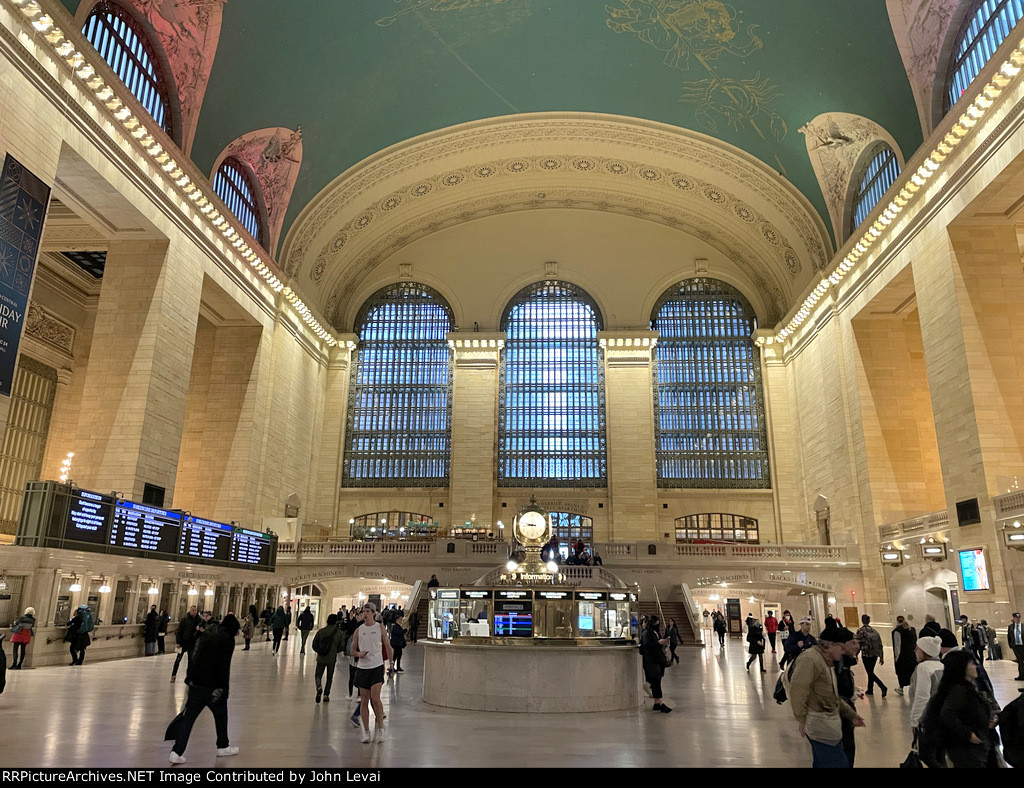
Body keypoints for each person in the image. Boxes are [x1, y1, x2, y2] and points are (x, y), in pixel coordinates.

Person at [167, 614, 241, 764]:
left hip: (197, 685)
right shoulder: (228, 640)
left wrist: (189, 680)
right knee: (221, 717)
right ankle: (222, 746)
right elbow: (223, 666)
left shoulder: (209, 637)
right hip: (213, 688)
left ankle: (176, 751)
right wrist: (222, 688)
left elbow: (195, 658)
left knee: (188, 719)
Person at [788, 627, 864, 768]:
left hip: (829, 725)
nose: (843, 652)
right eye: (840, 647)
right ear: (831, 645)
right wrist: (802, 719)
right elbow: (798, 690)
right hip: (819, 725)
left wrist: (850, 714)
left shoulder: (827, 661)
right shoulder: (811, 659)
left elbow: (831, 695)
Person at [921, 649, 996, 768]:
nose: (976, 666)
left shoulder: (965, 688)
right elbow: (947, 714)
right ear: (962, 667)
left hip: (971, 751)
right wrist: (969, 735)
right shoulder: (959, 690)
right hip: (967, 752)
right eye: (972, 663)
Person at [349, 602, 394, 742]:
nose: (366, 614)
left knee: (375, 698)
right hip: (363, 668)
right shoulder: (359, 630)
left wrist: (391, 663)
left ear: (374, 613)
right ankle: (366, 731)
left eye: (368, 611)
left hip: (376, 667)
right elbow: (351, 650)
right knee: (364, 700)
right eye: (364, 611)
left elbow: (388, 646)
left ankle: (380, 728)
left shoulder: (380, 628)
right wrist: (358, 654)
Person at [908, 635, 944, 765]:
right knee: (939, 754)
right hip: (941, 717)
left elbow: (922, 696)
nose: (915, 652)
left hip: (928, 719)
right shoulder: (941, 666)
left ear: (924, 652)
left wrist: (915, 721)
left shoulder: (923, 668)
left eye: (917, 649)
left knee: (927, 755)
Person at [832, 627, 861, 766]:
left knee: (848, 746)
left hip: (846, 706)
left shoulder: (845, 661)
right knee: (844, 747)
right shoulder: (835, 662)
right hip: (838, 709)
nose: (857, 646)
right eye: (853, 643)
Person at [640, 614, 672, 713]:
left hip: (656, 660)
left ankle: (656, 703)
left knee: (656, 681)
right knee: (656, 682)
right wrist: (658, 643)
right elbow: (646, 646)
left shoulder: (654, 632)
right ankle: (660, 703)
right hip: (651, 661)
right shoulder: (647, 633)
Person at [312, 613, 346, 703]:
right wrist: (335, 651)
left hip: (321, 657)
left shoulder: (321, 631)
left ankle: (319, 687)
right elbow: (342, 646)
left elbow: (314, 644)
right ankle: (326, 694)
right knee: (329, 677)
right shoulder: (339, 633)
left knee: (318, 675)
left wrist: (319, 650)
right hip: (332, 658)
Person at [855, 614, 887, 697]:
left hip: (866, 654)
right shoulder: (874, 631)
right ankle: (870, 689)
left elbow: (858, 643)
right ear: (869, 621)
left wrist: (855, 654)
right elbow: (880, 644)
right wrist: (881, 656)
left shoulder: (860, 631)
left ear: (862, 620)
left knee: (869, 672)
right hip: (874, 654)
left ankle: (882, 686)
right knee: (871, 671)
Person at [172, 606, 200, 683]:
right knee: (178, 659)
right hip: (183, 642)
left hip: (192, 643)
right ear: (190, 610)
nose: (194, 612)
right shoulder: (184, 619)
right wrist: (178, 642)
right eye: (193, 610)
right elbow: (179, 631)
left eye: (195, 610)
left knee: (191, 661)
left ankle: (189, 677)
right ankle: (173, 675)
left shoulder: (199, 620)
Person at [892, 615, 918, 695]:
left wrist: (896, 656)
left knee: (901, 672)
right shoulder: (912, 629)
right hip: (912, 654)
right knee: (912, 671)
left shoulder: (897, 631)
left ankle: (901, 687)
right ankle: (914, 687)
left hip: (903, 656)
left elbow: (897, 645)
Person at [1009, 613, 1024, 680]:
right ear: (1014, 618)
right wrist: (1011, 645)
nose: (1018, 619)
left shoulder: (1023, 626)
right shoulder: (1011, 627)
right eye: (1016, 618)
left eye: (1019, 618)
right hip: (1016, 647)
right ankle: (1021, 675)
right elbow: (1009, 637)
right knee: (1020, 661)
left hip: (1023, 645)